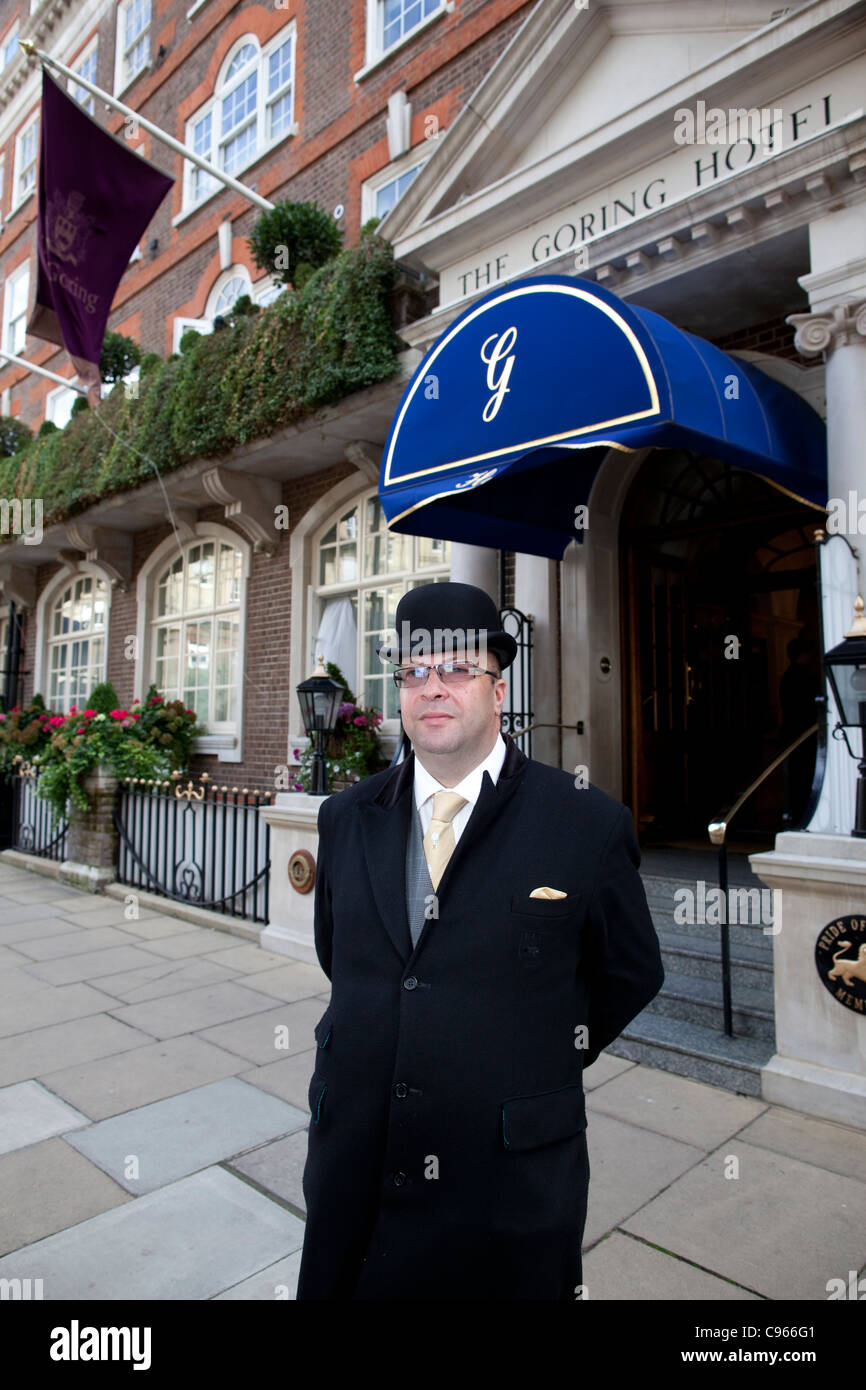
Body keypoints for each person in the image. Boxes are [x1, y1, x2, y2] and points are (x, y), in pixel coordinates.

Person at [296, 581, 664, 1301]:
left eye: (457, 669)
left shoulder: (585, 821)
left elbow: (630, 971)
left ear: (498, 689)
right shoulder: (346, 818)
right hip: (353, 1167)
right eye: (414, 671)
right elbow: (340, 955)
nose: (433, 687)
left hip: (507, 1185)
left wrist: (535, 1049)